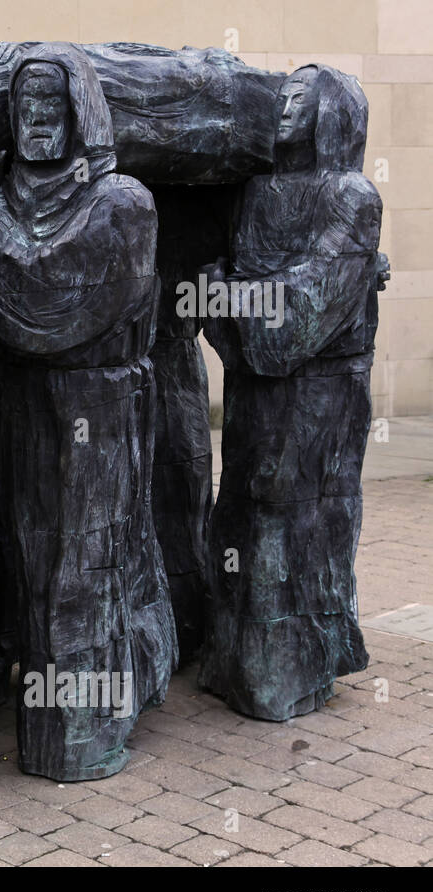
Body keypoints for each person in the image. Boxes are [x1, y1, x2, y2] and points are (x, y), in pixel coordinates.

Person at [0, 43, 177, 781]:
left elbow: (43, 292)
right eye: (25, 106)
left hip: (98, 403)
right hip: (27, 400)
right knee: (32, 557)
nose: (37, 119)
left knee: (87, 565)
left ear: (81, 111)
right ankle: (48, 716)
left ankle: (83, 733)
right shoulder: (7, 196)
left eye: (51, 103)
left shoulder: (122, 202)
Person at [199, 65, 384, 721]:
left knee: (299, 515)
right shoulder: (257, 193)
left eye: (301, 99)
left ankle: (292, 667)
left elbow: (296, 318)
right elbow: (233, 309)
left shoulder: (352, 196)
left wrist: (238, 296)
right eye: (285, 95)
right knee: (240, 510)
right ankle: (237, 658)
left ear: (330, 112)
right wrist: (241, 305)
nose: (286, 105)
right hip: (256, 389)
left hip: (322, 393)